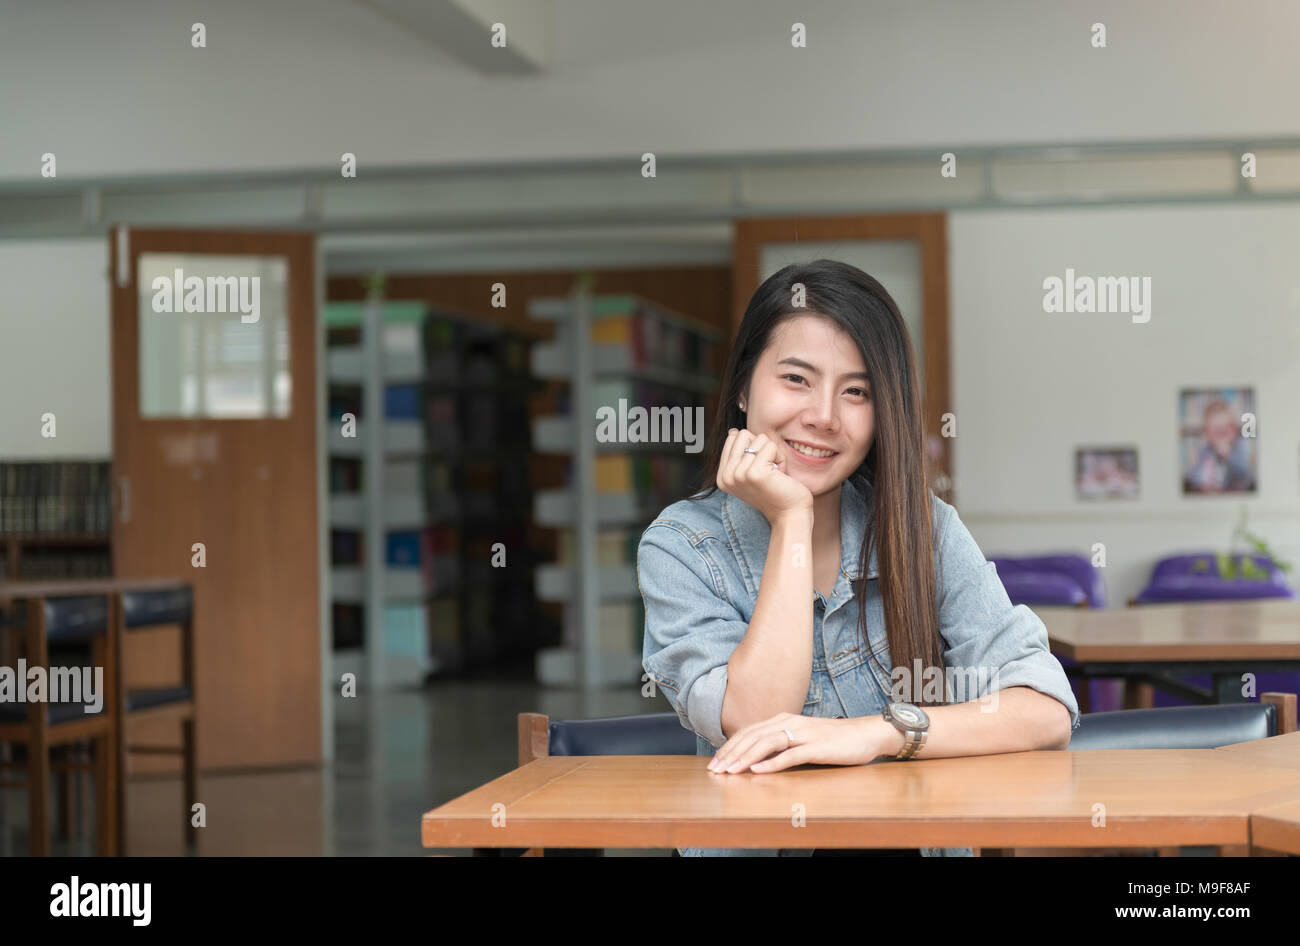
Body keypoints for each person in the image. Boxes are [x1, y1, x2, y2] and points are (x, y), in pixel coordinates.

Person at [637, 259, 1080, 857]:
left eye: (856, 391)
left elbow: (1045, 707)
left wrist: (878, 733)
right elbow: (757, 718)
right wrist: (791, 519)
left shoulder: (924, 529)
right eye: (796, 379)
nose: (823, 415)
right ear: (743, 387)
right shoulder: (681, 546)